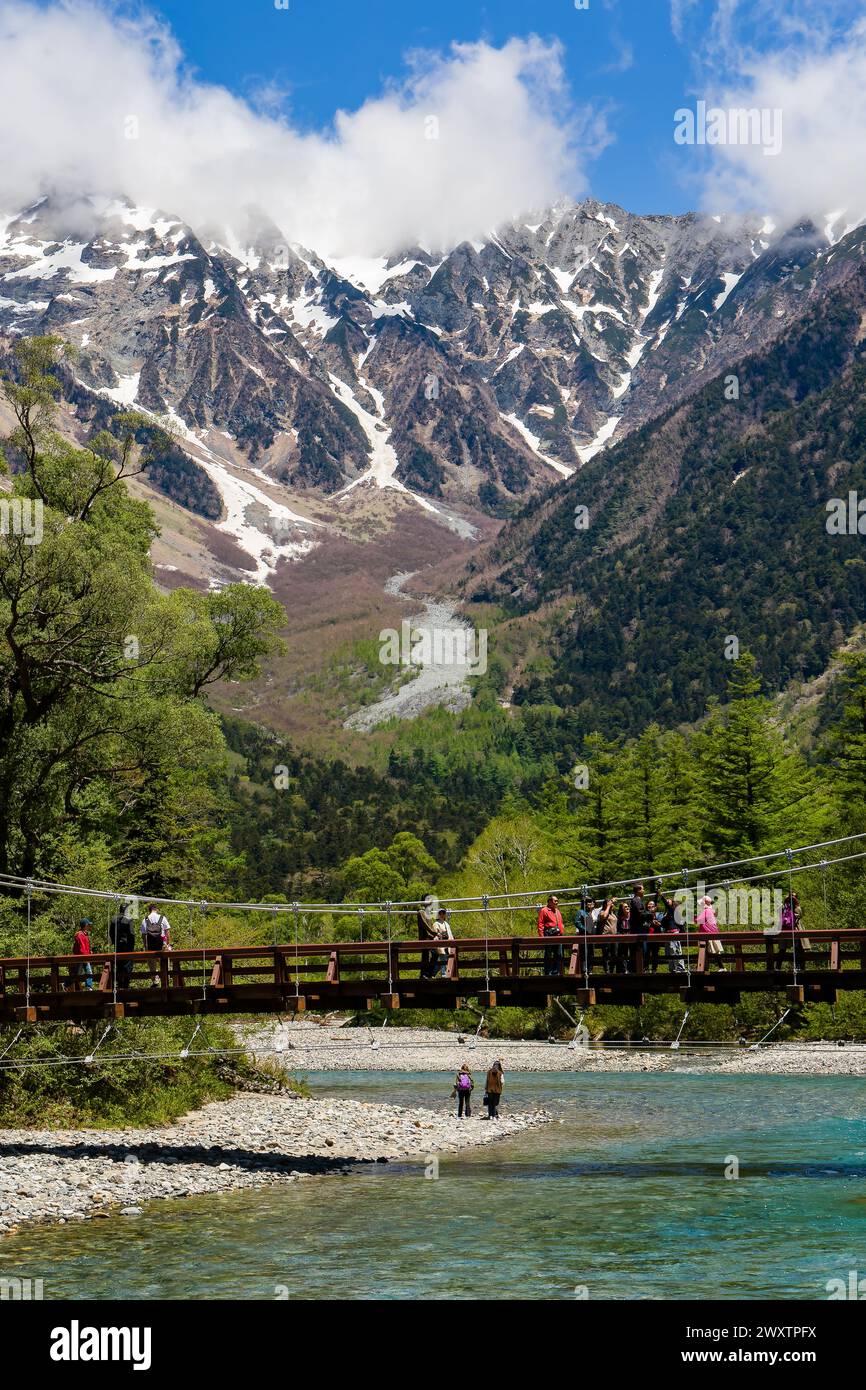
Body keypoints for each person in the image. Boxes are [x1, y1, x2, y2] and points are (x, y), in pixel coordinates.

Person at [109, 897, 137, 988]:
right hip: (127, 945)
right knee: (128, 964)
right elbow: (131, 934)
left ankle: (119, 982)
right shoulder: (129, 919)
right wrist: (132, 946)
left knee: (119, 963)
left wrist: (114, 942)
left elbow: (111, 933)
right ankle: (125, 983)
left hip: (118, 945)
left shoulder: (113, 919)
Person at [141, 902, 171, 985]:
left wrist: (145, 946)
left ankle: (155, 981)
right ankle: (165, 980)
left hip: (150, 946)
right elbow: (167, 932)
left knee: (152, 965)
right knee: (164, 963)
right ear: (156, 909)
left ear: (149, 910)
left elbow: (143, 935)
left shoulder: (145, 919)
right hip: (162, 945)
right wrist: (168, 944)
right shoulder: (162, 918)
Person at [697, 895, 726, 971]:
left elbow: (698, 920)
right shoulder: (711, 911)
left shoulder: (706, 911)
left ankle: (719, 967)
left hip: (708, 934)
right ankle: (720, 967)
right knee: (715, 951)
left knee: (710, 951)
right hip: (712, 933)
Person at [537, 895, 564, 976]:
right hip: (548, 934)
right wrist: (542, 937)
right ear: (549, 901)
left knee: (558, 954)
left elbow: (561, 923)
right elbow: (540, 924)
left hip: (558, 935)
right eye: (555, 901)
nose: (557, 902)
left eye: (557, 901)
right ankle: (548, 972)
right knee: (548, 954)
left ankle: (556, 971)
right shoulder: (544, 910)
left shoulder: (557, 911)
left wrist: (562, 932)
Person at [659, 896, 686, 974]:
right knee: (669, 952)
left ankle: (680, 968)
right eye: (666, 901)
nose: (667, 902)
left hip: (673, 933)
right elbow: (664, 924)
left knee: (675, 951)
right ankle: (672, 969)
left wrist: (662, 896)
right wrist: (660, 923)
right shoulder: (666, 913)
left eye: (668, 901)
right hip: (668, 933)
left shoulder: (673, 910)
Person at [629, 883, 650, 971]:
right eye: (642, 889)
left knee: (640, 948)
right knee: (641, 949)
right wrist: (650, 914)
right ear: (638, 891)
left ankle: (639, 968)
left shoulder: (637, 900)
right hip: (638, 929)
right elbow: (640, 913)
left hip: (638, 928)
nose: (644, 891)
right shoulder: (636, 900)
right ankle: (639, 969)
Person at [417, 895, 438, 979]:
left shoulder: (428, 913)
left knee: (435, 953)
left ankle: (428, 973)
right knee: (425, 956)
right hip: (424, 938)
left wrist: (436, 933)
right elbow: (425, 925)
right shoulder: (421, 912)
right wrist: (434, 933)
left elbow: (431, 925)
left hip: (430, 938)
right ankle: (424, 974)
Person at [596, 898, 618, 974]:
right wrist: (608, 906)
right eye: (610, 903)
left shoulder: (613, 914)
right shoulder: (602, 912)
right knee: (606, 954)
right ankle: (607, 971)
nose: (612, 904)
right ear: (606, 904)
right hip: (606, 936)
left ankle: (612, 971)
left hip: (614, 937)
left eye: (612, 903)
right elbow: (604, 916)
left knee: (614, 954)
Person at [72, 918, 94, 991]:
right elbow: (82, 947)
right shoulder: (80, 935)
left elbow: (85, 947)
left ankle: (66, 984)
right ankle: (88, 987)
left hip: (84, 957)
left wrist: (89, 952)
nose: (89, 926)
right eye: (88, 925)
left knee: (78, 973)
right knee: (85, 972)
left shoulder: (84, 934)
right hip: (82, 957)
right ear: (85, 925)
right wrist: (86, 957)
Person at [433, 906, 453, 978]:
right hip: (441, 944)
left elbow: (450, 935)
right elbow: (435, 934)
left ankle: (432, 973)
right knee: (443, 958)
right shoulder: (436, 923)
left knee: (445, 960)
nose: (442, 914)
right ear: (438, 914)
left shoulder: (446, 924)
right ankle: (444, 975)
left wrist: (452, 943)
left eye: (443, 913)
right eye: (440, 913)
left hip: (447, 944)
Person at [616, 900, 631, 974]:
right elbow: (618, 929)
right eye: (625, 907)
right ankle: (624, 969)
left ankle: (630, 969)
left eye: (628, 906)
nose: (627, 907)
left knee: (631, 954)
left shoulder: (632, 917)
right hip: (623, 940)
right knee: (623, 954)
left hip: (631, 939)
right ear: (622, 909)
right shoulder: (619, 919)